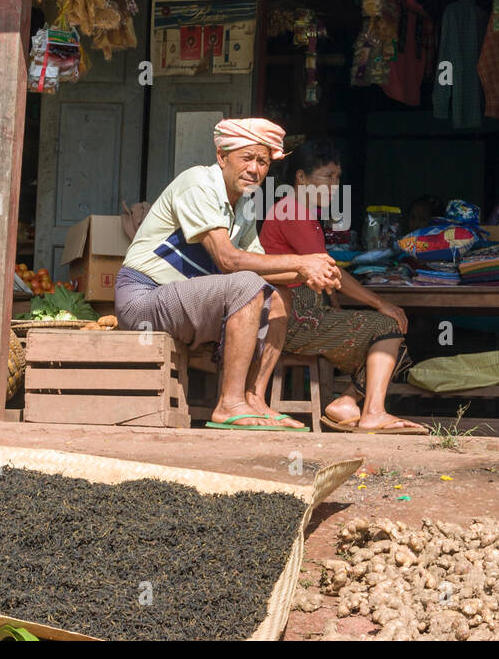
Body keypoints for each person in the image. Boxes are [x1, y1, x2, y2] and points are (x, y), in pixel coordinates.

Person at [114, 118, 342, 431]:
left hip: (187, 304)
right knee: (246, 283)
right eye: (246, 158)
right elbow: (228, 260)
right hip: (143, 297)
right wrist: (303, 263)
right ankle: (229, 404)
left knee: (279, 295)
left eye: (262, 161)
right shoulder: (198, 183)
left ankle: (254, 400)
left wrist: (310, 272)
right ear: (222, 158)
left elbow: (261, 263)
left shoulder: (245, 204)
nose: (255, 169)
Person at [260, 140, 427, 434]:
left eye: (337, 177)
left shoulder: (302, 211)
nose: (335, 185)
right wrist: (379, 302)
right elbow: (330, 268)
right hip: (292, 315)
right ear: (301, 178)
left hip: (307, 308)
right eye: (327, 177)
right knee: (388, 324)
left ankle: (347, 402)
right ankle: (372, 412)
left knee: (396, 345)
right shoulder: (292, 210)